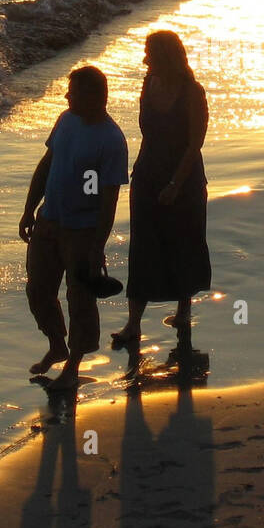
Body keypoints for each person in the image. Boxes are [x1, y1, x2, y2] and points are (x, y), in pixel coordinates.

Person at [19, 65, 128, 390]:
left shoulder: (111, 140)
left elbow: (109, 199)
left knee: (80, 300)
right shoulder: (66, 120)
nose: (66, 95)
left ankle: (73, 368)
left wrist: (97, 247)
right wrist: (28, 209)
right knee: (38, 289)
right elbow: (47, 163)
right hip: (49, 219)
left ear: (94, 96)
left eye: (73, 91)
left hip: (83, 230)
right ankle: (57, 344)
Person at [112, 31, 211, 353]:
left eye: (150, 53)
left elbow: (194, 144)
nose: (144, 60)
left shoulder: (192, 93)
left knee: (182, 241)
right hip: (148, 171)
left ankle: (184, 311)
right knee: (143, 245)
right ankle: (133, 324)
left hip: (183, 177)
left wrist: (175, 184)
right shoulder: (148, 83)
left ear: (166, 56)